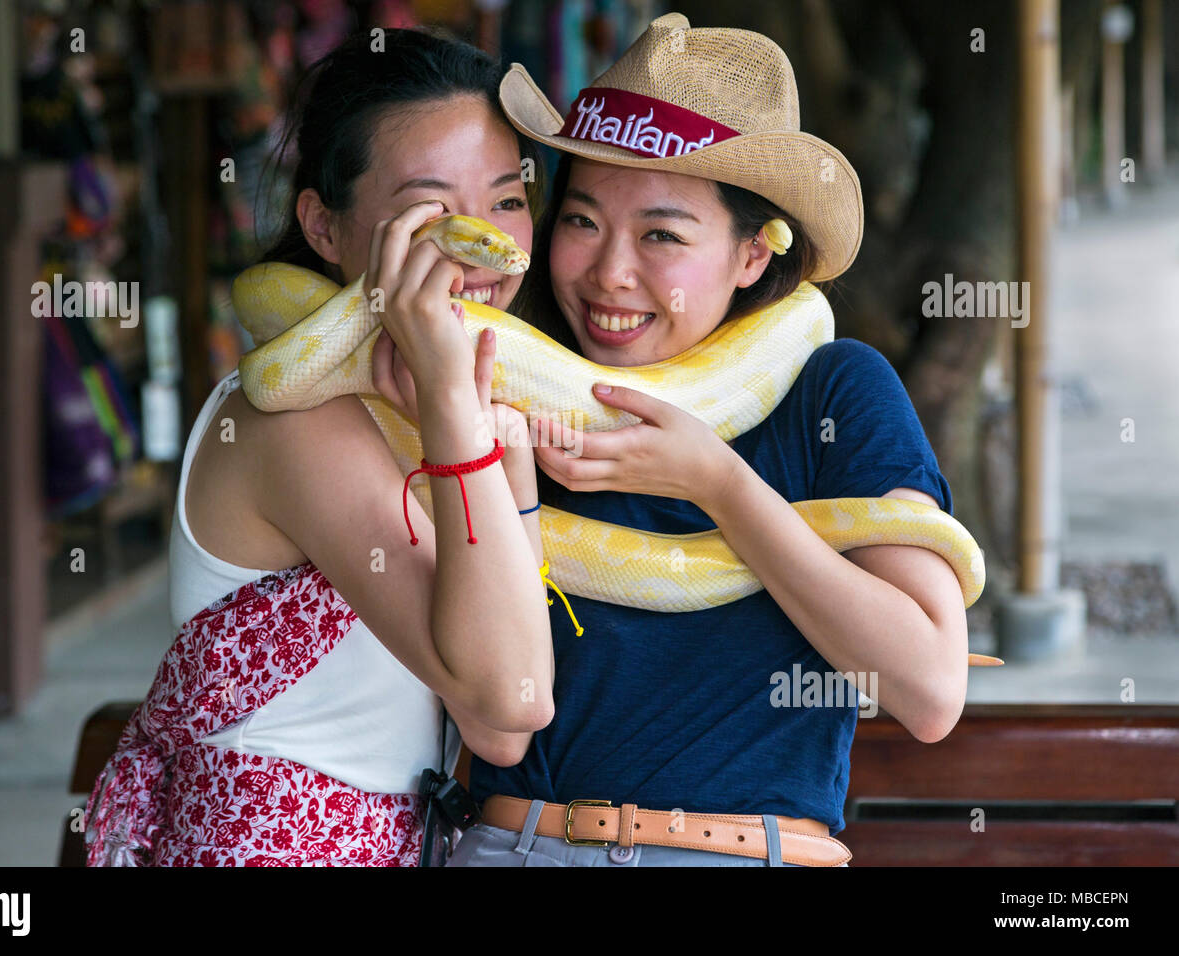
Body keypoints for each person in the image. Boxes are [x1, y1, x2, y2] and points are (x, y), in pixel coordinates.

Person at [441, 14, 971, 867]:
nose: (610, 272)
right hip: (518, 843)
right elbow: (489, 714)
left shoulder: (831, 391)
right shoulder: (499, 378)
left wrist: (719, 484)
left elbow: (929, 689)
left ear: (754, 256)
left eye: (662, 235)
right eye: (581, 221)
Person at [84, 27, 555, 867]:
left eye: (508, 199)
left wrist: (490, 436)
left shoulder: (428, 402)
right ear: (325, 227)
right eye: (429, 208)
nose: (483, 244)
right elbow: (505, 707)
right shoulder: (294, 419)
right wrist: (454, 406)